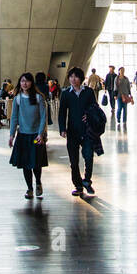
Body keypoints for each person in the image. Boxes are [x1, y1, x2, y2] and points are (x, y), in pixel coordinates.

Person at [59, 66, 102, 196]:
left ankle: (87, 180)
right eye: (71, 76)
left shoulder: (88, 92)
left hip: (87, 130)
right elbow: (62, 112)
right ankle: (78, 185)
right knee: (74, 160)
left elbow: (95, 108)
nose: (73, 79)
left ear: (81, 78)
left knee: (89, 156)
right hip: (72, 131)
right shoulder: (66, 93)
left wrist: (89, 114)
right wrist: (62, 129)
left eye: (76, 76)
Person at [8, 73, 48, 198]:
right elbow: (14, 117)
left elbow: (43, 117)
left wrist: (41, 134)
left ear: (32, 83)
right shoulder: (17, 99)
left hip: (35, 137)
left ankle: (38, 183)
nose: (24, 83)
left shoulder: (38, 97)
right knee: (25, 163)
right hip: (23, 136)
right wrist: (11, 135)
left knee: (36, 162)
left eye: (27, 81)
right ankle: (29, 188)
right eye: (22, 81)